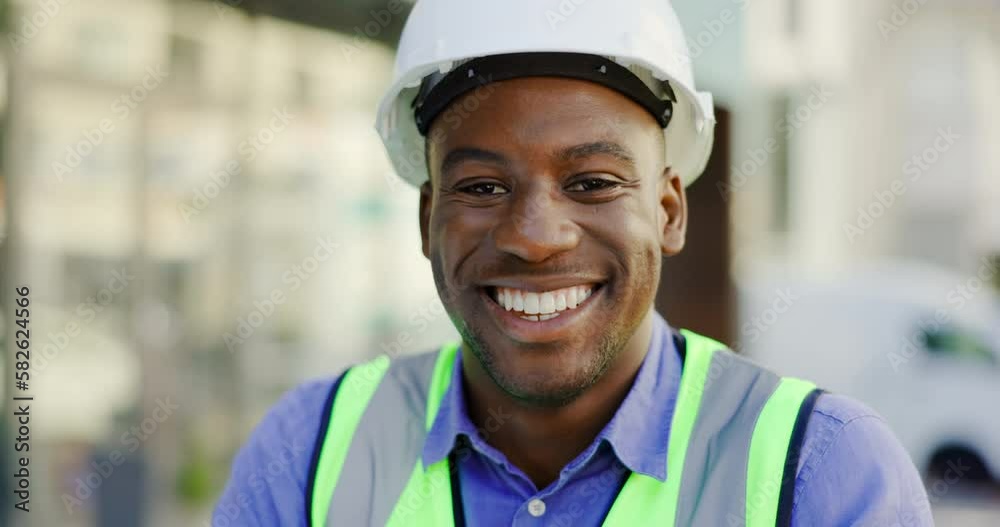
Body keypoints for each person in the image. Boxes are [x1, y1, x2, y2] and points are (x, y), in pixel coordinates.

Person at [214, 1, 934, 525]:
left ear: (669, 212)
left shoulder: (820, 474)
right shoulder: (308, 456)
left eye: (592, 182)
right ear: (426, 218)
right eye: (483, 187)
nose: (534, 237)